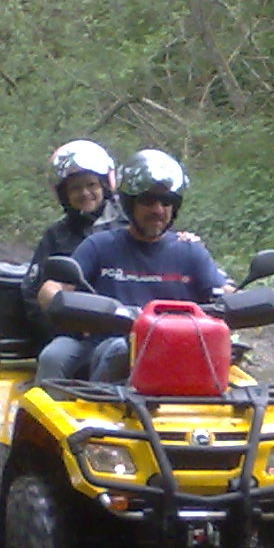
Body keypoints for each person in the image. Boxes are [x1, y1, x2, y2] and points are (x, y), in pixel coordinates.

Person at [58, 149, 230, 384]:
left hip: (182, 352)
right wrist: (66, 303)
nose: (158, 210)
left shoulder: (190, 251)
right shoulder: (99, 245)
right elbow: (56, 288)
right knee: (110, 351)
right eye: (148, 201)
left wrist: (239, 302)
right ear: (130, 204)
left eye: (166, 202)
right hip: (109, 345)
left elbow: (222, 292)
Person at [27, 141, 119, 383]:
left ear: (104, 186)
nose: (85, 193)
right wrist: (68, 325)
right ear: (64, 195)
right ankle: (42, 416)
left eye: (91, 185)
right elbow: (34, 293)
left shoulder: (131, 228)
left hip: (127, 329)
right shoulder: (56, 235)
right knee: (52, 357)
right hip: (75, 334)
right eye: (76, 188)